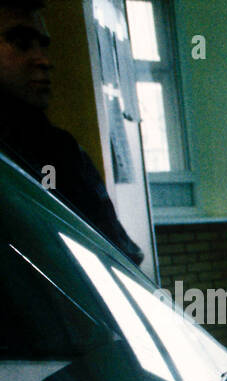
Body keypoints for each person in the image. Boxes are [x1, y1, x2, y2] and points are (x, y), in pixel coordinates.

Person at [0, 0, 143, 264]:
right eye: (21, 43)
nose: (43, 60)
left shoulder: (61, 151)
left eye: (43, 45)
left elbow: (119, 256)